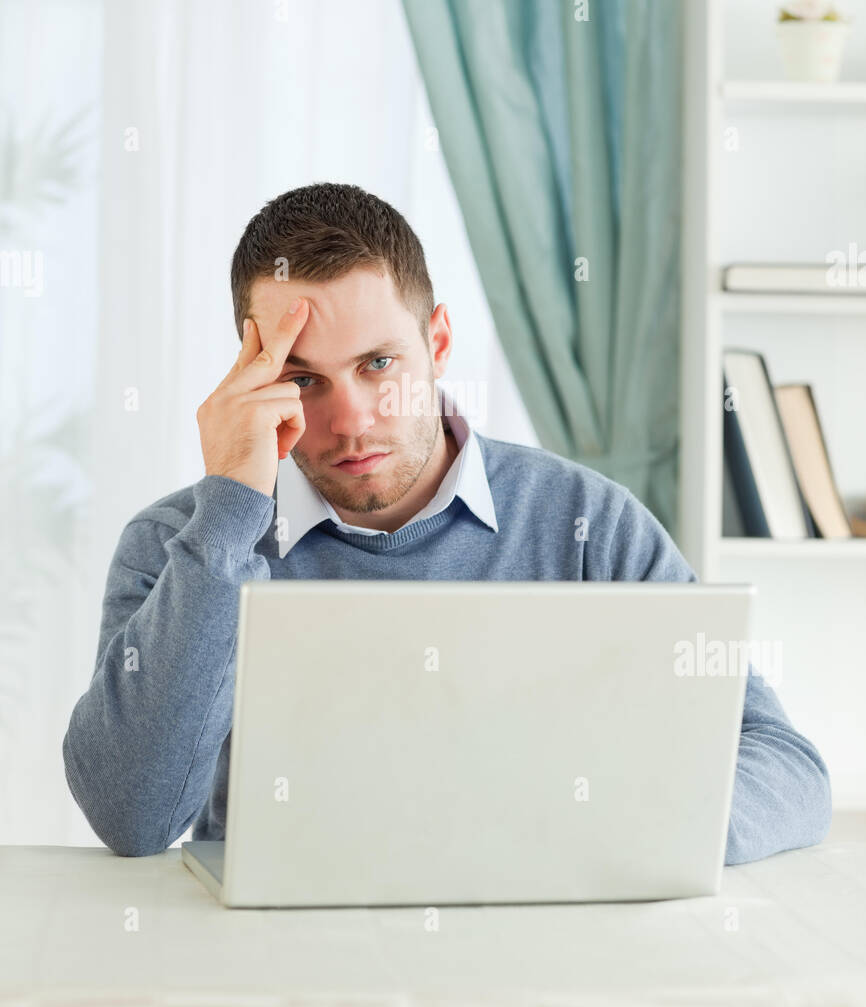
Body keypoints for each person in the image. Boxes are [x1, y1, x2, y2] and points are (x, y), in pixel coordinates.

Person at [63, 183, 832, 861]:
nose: (351, 421)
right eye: (305, 379)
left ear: (437, 342)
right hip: (279, 982)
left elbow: (784, 767)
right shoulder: (181, 545)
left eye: (378, 364)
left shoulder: (587, 524)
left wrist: (600, 836)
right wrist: (231, 506)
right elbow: (134, 818)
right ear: (253, 375)